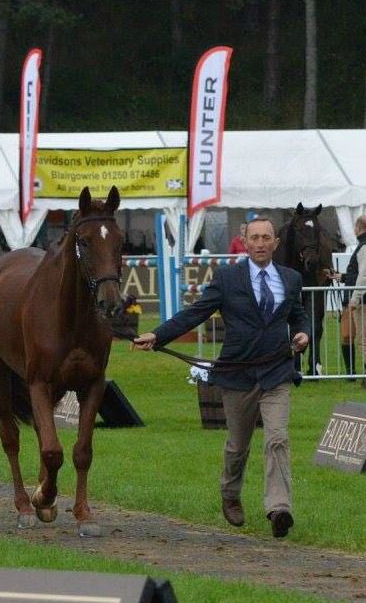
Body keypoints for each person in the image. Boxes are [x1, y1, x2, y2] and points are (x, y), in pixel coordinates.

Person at [133, 218, 310, 538]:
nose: (260, 243)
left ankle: (279, 508)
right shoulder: (227, 278)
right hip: (237, 373)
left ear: (275, 243)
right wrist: (158, 335)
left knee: (277, 438)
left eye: (266, 238)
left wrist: (302, 333)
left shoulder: (291, 278)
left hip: (276, 372)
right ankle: (230, 493)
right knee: (238, 445)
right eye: (254, 238)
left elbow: (298, 315)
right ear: (244, 243)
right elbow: (196, 312)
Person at [329, 215, 366, 389]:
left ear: (359, 228)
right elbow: (362, 275)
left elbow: (365, 276)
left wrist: (355, 298)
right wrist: (342, 277)